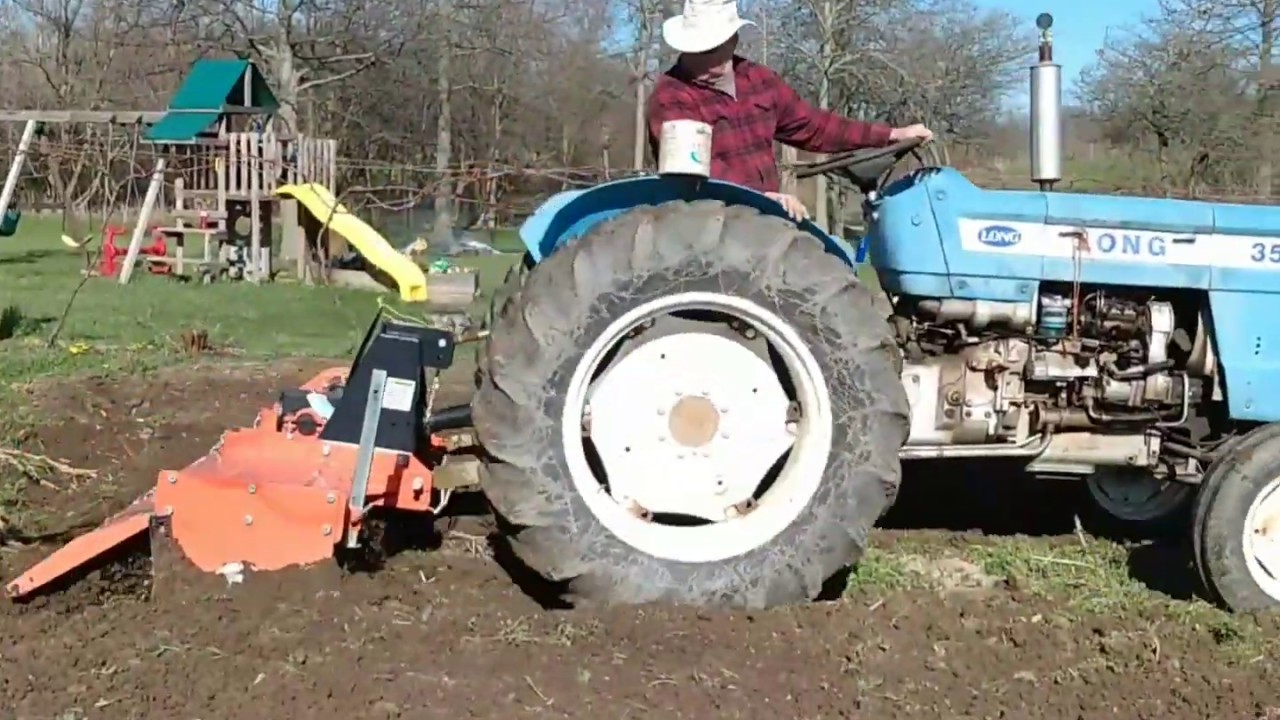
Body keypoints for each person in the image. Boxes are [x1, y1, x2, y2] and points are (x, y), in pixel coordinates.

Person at [648, 0, 934, 220]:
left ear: (732, 40)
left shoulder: (757, 80)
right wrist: (761, 198)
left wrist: (891, 135)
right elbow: (692, 168)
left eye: (710, 49)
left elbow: (814, 126)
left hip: (761, 218)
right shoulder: (672, 95)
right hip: (709, 219)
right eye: (695, 49)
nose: (702, 60)